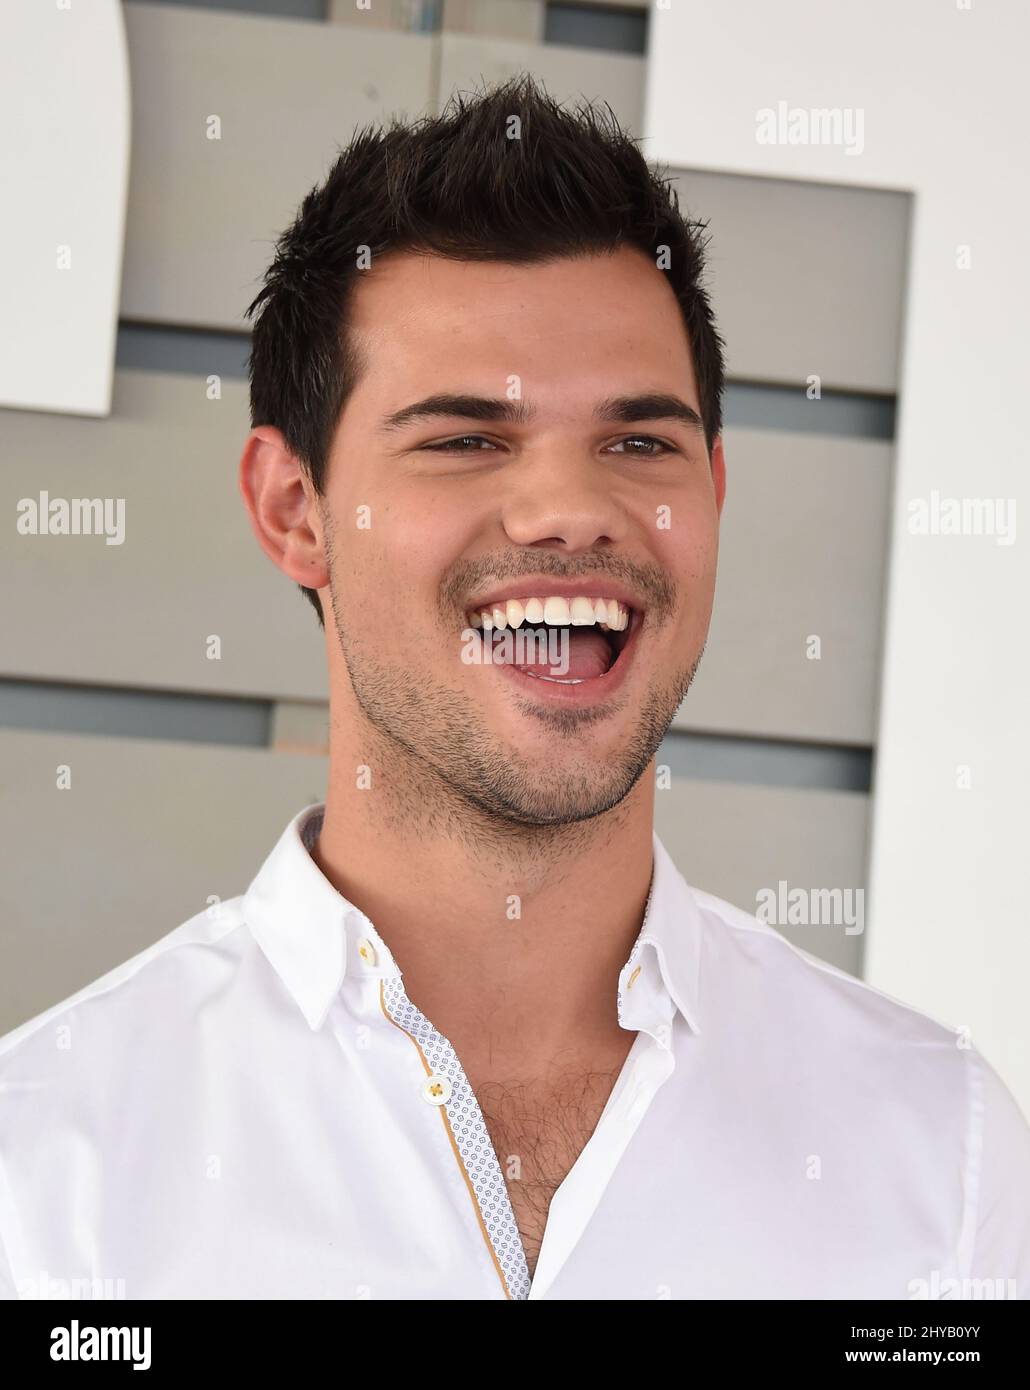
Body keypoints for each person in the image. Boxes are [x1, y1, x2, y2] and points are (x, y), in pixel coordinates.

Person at [2, 76, 1028, 1302]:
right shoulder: (44, 1170)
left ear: (712, 490)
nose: (568, 510)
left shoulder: (942, 1148)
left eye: (638, 441)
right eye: (464, 439)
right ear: (295, 511)